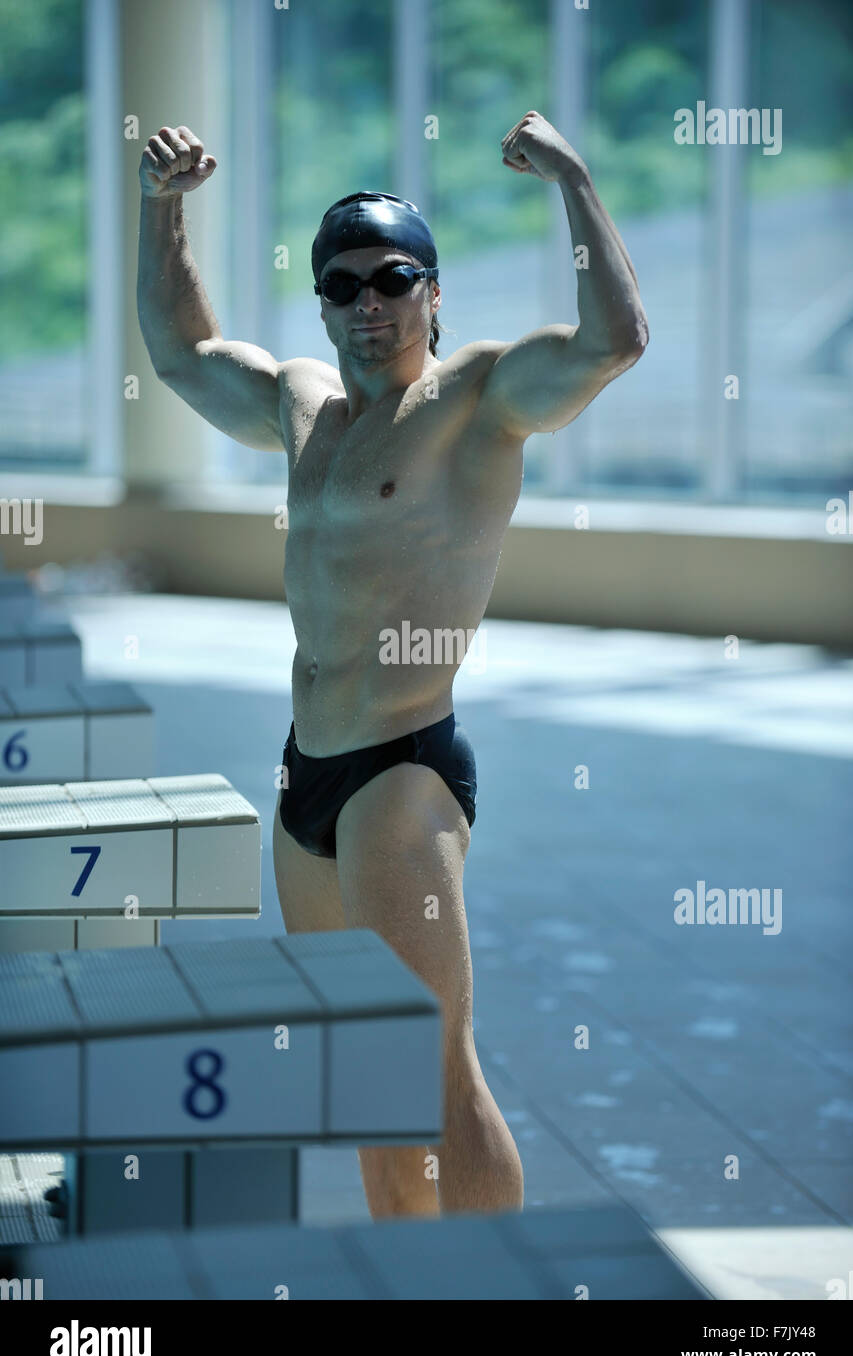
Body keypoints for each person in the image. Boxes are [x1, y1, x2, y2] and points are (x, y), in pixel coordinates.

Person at [137, 111, 648, 1221]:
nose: (367, 303)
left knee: (431, 1067)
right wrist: (160, 208)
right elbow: (179, 353)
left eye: (392, 277)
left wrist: (572, 176)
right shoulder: (303, 407)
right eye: (342, 285)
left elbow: (614, 342)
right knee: (366, 1082)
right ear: (321, 302)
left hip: (400, 777)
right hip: (304, 778)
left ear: (430, 289)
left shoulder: (476, 397)